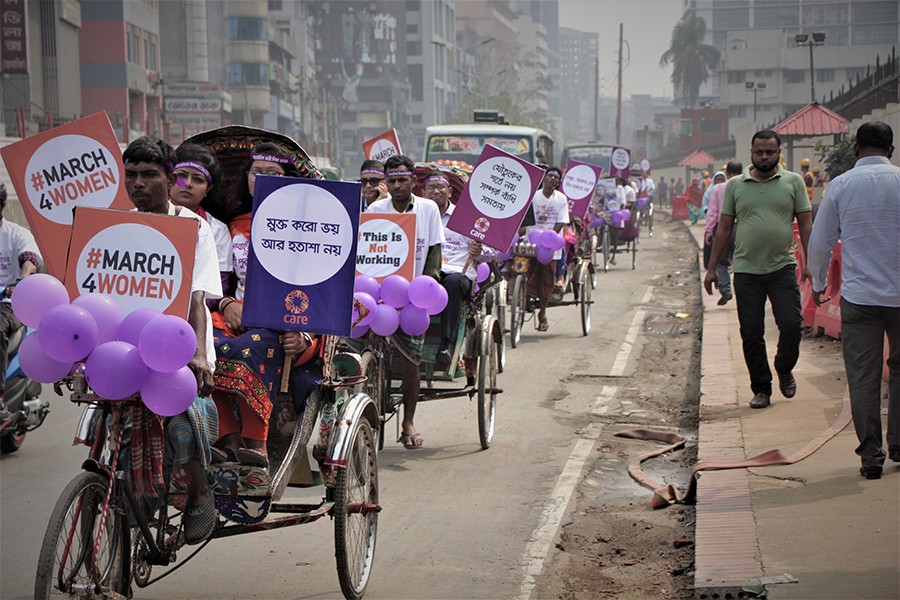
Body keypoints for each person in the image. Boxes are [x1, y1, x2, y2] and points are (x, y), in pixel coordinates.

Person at [122, 136, 223, 544]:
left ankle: (199, 493)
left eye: (149, 175)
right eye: (131, 176)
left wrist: (198, 355)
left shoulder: (192, 227)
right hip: (125, 343)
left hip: (180, 340)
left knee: (182, 421)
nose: (138, 184)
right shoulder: (116, 225)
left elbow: (197, 297)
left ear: (167, 178)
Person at [211, 143, 318, 468]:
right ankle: (228, 439)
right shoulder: (234, 225)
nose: (266, 179)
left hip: (297, 324)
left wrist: (306, 333)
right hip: (240, 316)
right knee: (198, 346)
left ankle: (256, 446)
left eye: (275, 173)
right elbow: (218, 282)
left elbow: (327, 292)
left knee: (249, 348)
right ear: (247, 178)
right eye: (259, 172)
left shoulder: (315, 226)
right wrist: (228, 303)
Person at [806, 121, 900, 480]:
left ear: (856, 149)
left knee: (863, 378)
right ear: (890, 151)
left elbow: (821, 241)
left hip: (860, 298)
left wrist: (816, 281)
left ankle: (871, 456)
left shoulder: (841, 186)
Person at [704, 129, 812, 409]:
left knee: (791, 325)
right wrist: (712, 267)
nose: (764, 157)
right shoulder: (736, 186)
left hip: (783, 267)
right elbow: (724, 227)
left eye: (770, 152)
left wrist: (812, 262)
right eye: (759, 152)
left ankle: (784, 366)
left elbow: (807, 225)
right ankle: (761, 389)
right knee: (751, 332)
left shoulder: (794, 182)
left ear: (779, 153)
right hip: (747, 270)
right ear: (751, 153)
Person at [367, 154, 444, 448]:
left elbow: (434, 252)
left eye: (402, 179)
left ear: (412, 180)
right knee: (360, 352)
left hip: (413, 295)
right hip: (379, 293)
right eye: (392, 180)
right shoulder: (376, 208)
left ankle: (408, 421)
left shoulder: (427, 210)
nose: (397, 185)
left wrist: (428, 283)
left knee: (410, 361)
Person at [425, 170, 493, 370]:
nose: (436, 191)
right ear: (423, 191)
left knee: (451, 283)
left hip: (458, 274)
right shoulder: (418, 215)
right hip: (428, 273)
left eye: (440, 187)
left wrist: (479, 251)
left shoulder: (465, 218)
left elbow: (491, 250)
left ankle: (446, 345)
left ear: (449, 191)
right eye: (431, 187)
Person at [0, 182, 42, 424]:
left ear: (3, 205)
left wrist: (22, 280)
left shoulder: (16, 234)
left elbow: (30, 259)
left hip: (7, 303)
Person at [171, 143, 234, 291]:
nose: (188, 184)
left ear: (208, 190)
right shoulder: (144, 216)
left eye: (198, 180)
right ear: (169, 179)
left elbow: (218, 287)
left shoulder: (217, 230)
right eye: (181, 176)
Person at [523, 167, 569, 332]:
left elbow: (561, 221)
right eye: (550, 176)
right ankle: (523, 298)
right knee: (523, 272)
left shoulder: (561, 199)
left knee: (547, 281)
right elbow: (524, 219)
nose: (553, 179)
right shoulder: (533, 197)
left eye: (556, 177)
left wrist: (548, 238)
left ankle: (542, 314)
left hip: (551, 247)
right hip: (531, 241)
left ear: (559, 182)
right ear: (544, 178)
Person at [703, 163, 742, 305]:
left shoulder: (718, 188)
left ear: (727, 172)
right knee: (742, 262)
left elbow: (712, 213)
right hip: (742, 228)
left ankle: (726, 289)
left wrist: (708, 232)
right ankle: (742, 292)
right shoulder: (745, 186)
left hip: (723, 228)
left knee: (721, 261)